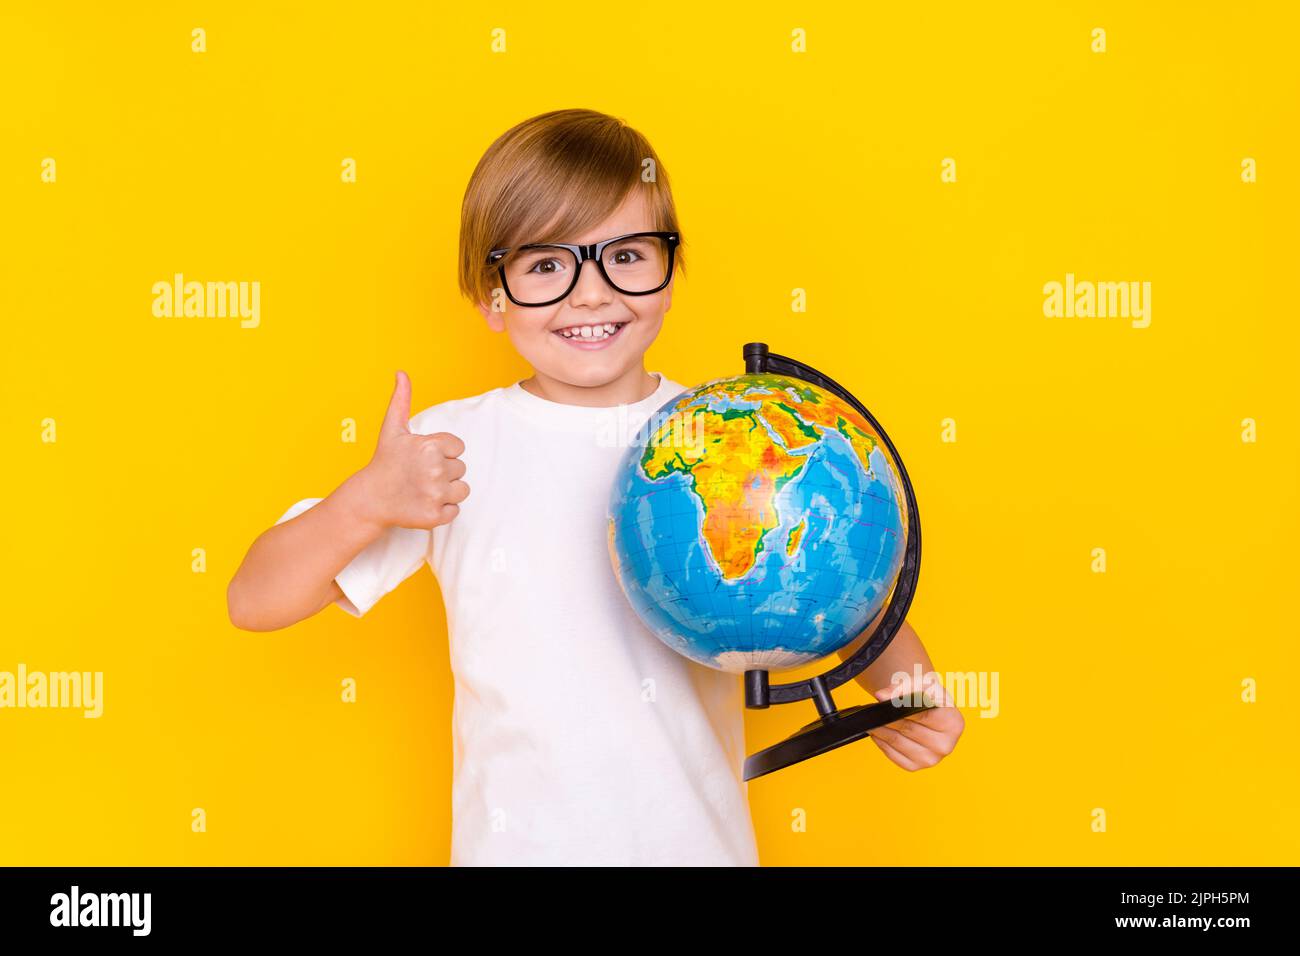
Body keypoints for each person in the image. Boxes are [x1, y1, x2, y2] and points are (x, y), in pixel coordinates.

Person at [226, 108, 963, 866]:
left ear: (671, 273)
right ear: (492, 295)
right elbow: (254, 600)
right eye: (546, 265)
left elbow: (833, 578)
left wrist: (911, 692)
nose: (590, 295)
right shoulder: (448, 453)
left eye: (627, 256)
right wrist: (363, 503)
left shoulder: (734, 432)